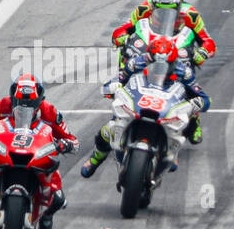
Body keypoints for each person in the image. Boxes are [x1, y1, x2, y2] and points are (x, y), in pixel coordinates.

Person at [80, 37, 211, 178]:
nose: (160, 68)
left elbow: (204, 98)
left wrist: (197, 103)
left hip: (165, 109)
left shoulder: (184, 72)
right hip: (137, 104)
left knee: (177, 144)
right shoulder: (135, 63)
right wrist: (113, 86)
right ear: (149, 58)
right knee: (106, 131)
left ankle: (169, 152)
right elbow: (116, 80)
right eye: (155, 63)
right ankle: (96, 158)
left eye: (166, 65)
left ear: (173, 62)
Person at [0, 74, 78, 229]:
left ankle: (47, 216)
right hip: (8, 146)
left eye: (30, 104)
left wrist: (65, 145)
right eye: (20, 103)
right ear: (13, 98)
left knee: (58, 197)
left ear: (39, 101)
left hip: (38, 151)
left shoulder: (50, 112)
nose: (25, 107)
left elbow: (73, 140)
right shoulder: (0, 106)